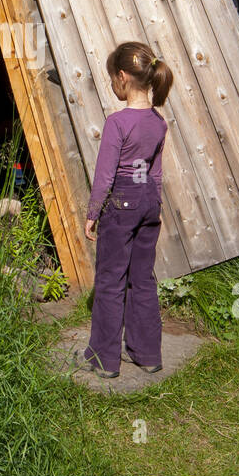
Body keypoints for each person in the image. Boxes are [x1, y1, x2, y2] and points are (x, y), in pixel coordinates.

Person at [73, 41, 172, 379]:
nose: (112, 85)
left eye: (112, 79)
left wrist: (93, 212)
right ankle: (147, 354)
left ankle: (103, 360)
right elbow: (153, 172)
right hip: (148, 202)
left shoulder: (117, 123)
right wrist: (153, 203)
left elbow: (105, 176)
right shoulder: (158, 122)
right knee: (142, 279)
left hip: (121, 203)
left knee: (110, 280)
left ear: (123, 77)